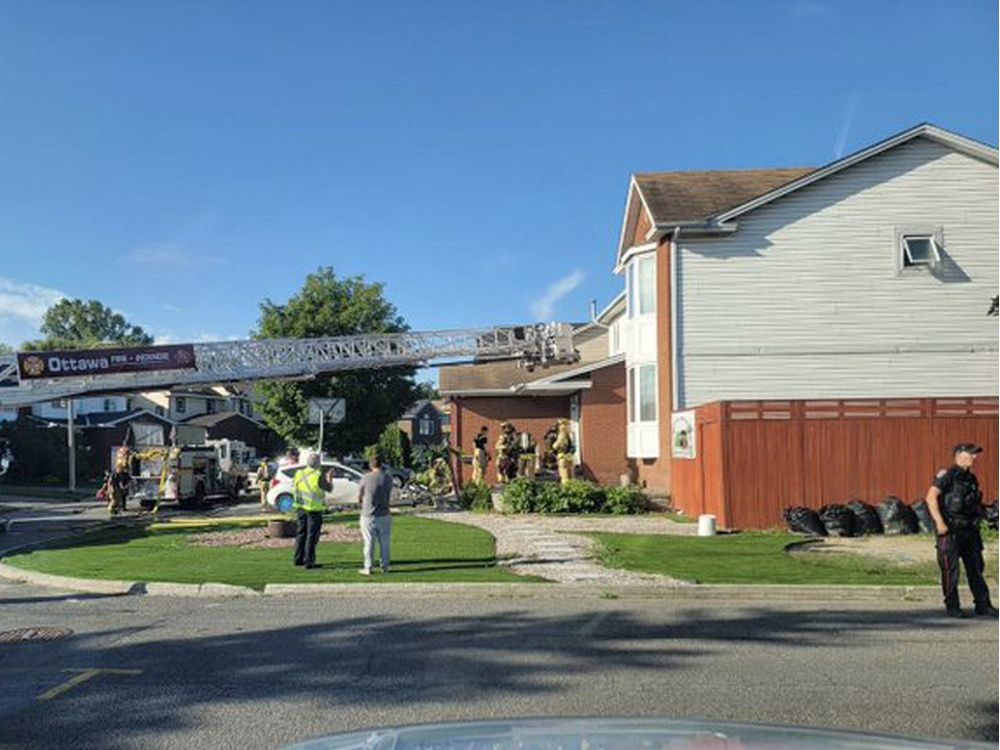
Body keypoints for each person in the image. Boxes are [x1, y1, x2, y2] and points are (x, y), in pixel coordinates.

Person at [925, 443, 998, 618]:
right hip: (951, 530)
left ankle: (983, 604)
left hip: (969, 529)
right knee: (951, 570)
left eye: (975, 454)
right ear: (959, 455)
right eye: (971, 454)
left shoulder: (970, 478)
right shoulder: (947, 476)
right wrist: (940, 523)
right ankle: (952, 606)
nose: (975, 457)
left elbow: (973, 503)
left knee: (976, 568)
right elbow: (930, 497)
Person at [291, 451, 332, 569]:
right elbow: (329, 488)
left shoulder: (299, 473)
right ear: (318, 463)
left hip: (300, 507)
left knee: (301, 534)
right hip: (314, 509)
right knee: (311, 536)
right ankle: (309, 561)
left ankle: (298, 559)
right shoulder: (318, 475)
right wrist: (329, 478)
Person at [357, 454, 395, 575]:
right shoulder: (388, 478)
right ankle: (385, 566)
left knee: (369, 542)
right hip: (384, 513)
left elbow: (360, 495)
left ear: (371, 465)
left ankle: (368, 567)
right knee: (384, 542)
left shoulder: (366, 477)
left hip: (368, 514)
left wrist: (361, 501)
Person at [552, 418, 575, 485]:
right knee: (571, 475)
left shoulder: (561, 434)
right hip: (569, 456)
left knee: (564, 476)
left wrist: (553, 446)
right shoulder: (570, 434)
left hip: (562, 456)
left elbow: (556, 445)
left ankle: (566, 490)